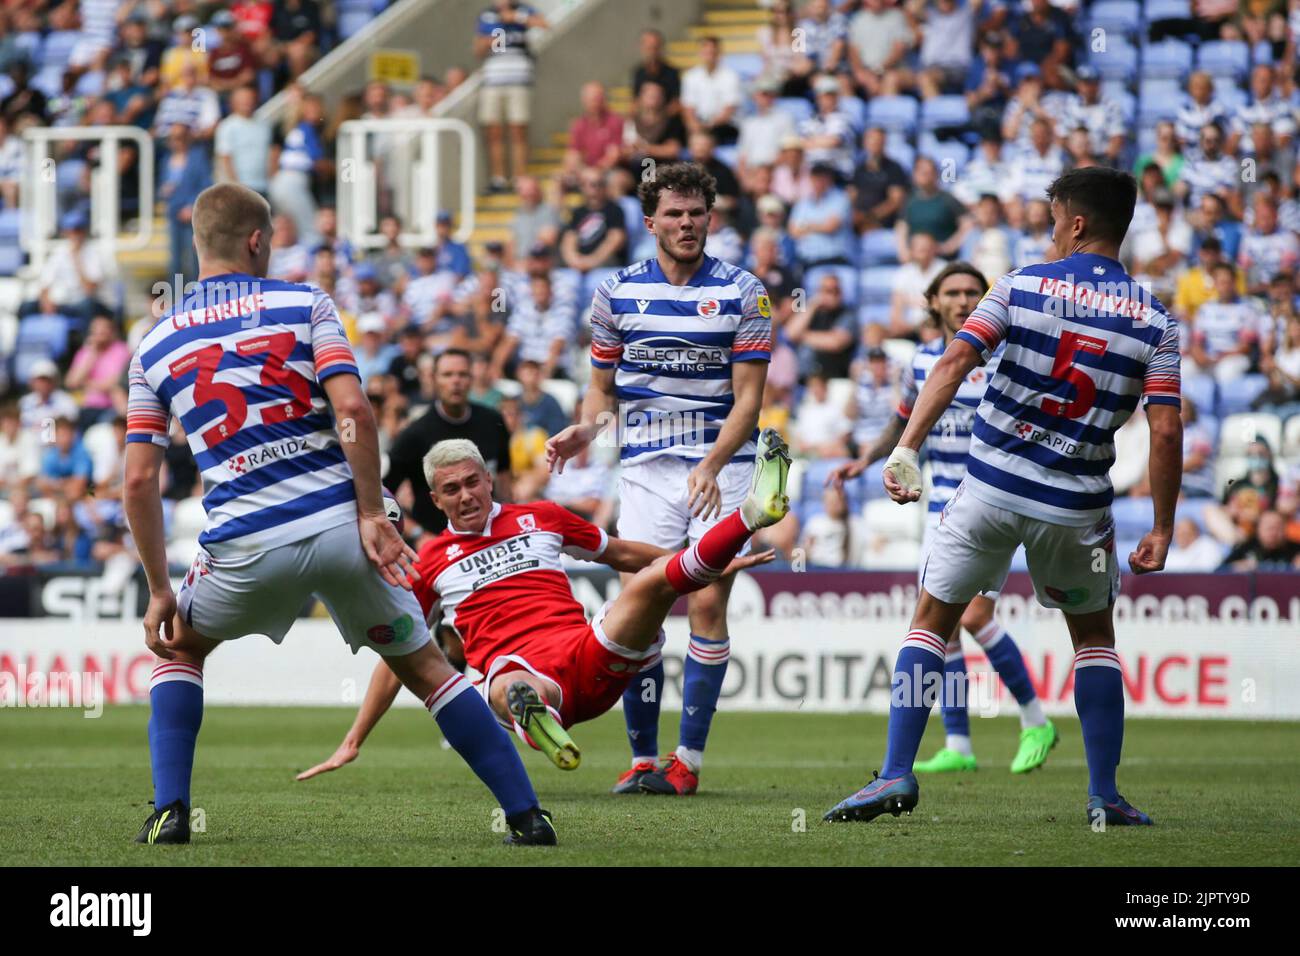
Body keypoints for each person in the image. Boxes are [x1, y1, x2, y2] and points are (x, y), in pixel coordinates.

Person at [121, 183, 554, 847]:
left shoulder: (153, 344)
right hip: (340, 528)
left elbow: (139, 477)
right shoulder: (305, 303)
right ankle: (527, 817)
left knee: (180, 650)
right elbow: (353, 410)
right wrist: (374, 511)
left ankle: (170, 812)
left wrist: (157, 588)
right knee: (430, 671)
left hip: (243, 541)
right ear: (258, 240)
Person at [825, 167, 1183, 828]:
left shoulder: (1019, 284)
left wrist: (907, 446)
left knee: (931, 620)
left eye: (1053, 218)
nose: (1048, 229)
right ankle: (1103, 795)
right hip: (1077, 507)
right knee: (1095, 640)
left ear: (1074, 223)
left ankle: (896, 774)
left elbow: (955, 361)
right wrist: (1162, 525)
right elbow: (1164, 429)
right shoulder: (1156, 320)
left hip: (989, 485)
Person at [298, 433, 789, 780]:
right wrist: (355, 736)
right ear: (435, 499)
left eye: (472, 482)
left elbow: (622, 553)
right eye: (452, 490)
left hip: (589, 651)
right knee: (510, 684)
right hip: (522, 670)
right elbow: (403, 654)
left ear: (489, 479)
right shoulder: (428, 562)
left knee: (651, 583)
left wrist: (711, 566)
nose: (466, 495)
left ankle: (750, 513)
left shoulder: (543, 517)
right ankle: (536, 717)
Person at [546, 161, 772, 796]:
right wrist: (586, 431)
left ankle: (689, 761)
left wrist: (711, 463)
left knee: (705, 599)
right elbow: (601, 391)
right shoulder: (614, 292)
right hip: (645, 468)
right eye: (674, 213)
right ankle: (643, 759)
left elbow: (749, 403)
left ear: (711, 218)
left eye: (697, 213)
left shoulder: (745, 292)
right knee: (638, 608)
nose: (686, 223)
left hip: (722, 466)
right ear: (650, 222)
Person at [830, 262, 1058, 775]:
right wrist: (866, 460)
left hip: (995, 504)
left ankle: (1035, 719)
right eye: (951, 293)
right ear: (933, 302)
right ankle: (959, 743)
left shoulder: (1007, 359)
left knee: (974, 617)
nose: (961, 300)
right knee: (945, 629)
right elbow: (904, 419)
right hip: (941, 513)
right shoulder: (922, 361)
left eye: (972, 292)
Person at [384, 349, 512, 536]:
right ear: (434, 379)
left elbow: (504, 480)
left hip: (489, 538)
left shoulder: (493, 422)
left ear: (471, 378)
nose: (456, 381)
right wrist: (418, 534)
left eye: (462, 374)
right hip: (437, 542)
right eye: (448, 375)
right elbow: (383, 498)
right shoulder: (414, 434)